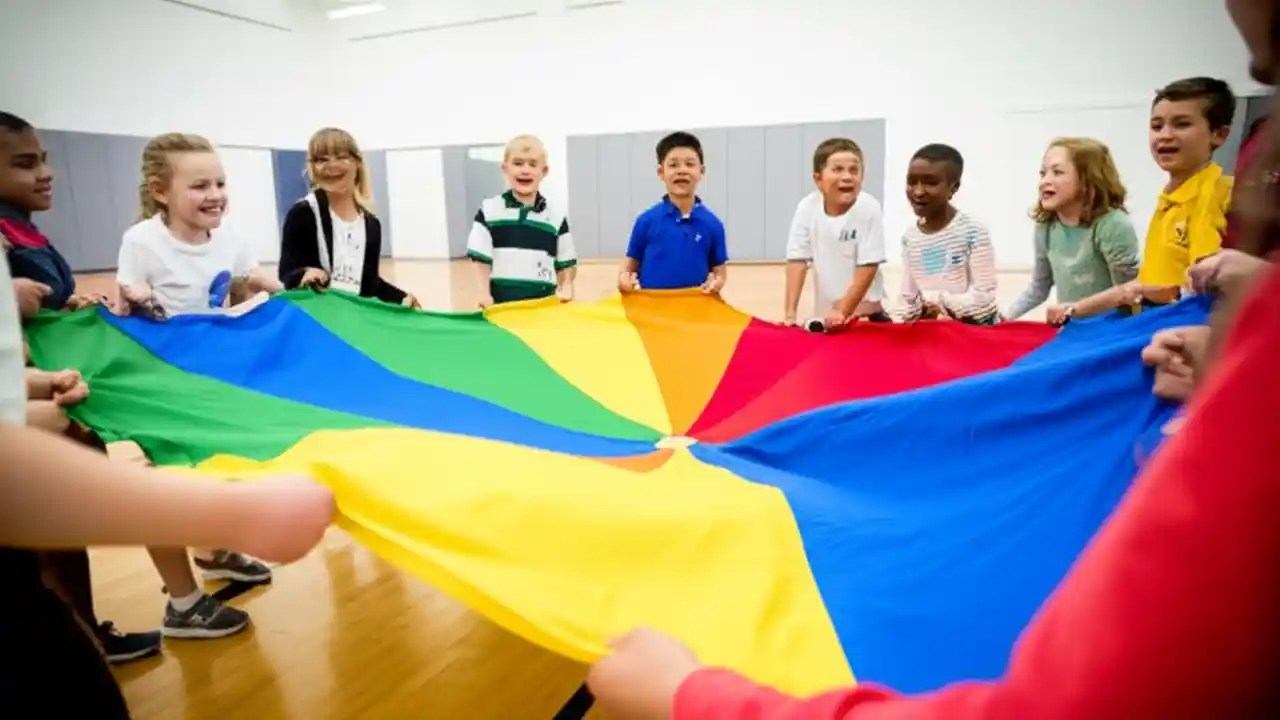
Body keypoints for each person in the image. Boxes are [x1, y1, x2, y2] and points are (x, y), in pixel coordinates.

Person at [582, 7, 1280, 716]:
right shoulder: (879, 225)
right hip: (1088, 346)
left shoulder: (1111, 225)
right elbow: (999, 285)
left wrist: (695, 697)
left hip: (1100, 345)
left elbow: (1069, 694)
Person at [1051, 77, 1237, 324]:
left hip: (1175, 325)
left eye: (1181, 124)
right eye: (1157, 126)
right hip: (1150, 319)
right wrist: (1074, 309)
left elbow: (1200, 288)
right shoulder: (1170, 197)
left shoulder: (1217, 192)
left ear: (1219, 134)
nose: (1165, 135)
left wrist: (1137, 295)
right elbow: (1144, 284)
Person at [117, 132, 282, 318]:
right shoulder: (140, 241)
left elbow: (250, 274)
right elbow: (126, 314)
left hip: (214, 339)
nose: (215, 196)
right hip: (168, 344)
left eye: (220, 184)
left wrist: (287, 291)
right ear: (160, 191)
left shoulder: (228, 234)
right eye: (200, 186)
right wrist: (140, 300)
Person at [279, 127, 418, 308]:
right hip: (318, 318)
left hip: (355, 320)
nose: (331, 165)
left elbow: (369, 283)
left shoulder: (371, 224)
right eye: (321, 159)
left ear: (357, 163)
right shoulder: (303, 213)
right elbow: (287, 273)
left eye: (340, 157)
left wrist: (400, 298)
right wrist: (303, 274)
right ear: (312, 167)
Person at [1005, 138, 1141, 322]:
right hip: (1072, 328)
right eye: (1043, 173)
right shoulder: (1045, 227)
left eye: (1057, 172)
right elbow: (1039, 288)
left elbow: (1128, 293)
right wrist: (1002, 319)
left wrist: (1075, 310)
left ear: (1088, 180)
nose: (1045, 181)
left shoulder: (1112, 224)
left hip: (1110, 328)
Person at [0, 112, 110, 312]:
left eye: (43, 161)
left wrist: (68, 304)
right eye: (25, 164)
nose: (47, 174)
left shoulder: (24, 231)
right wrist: (5, 299)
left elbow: (44, 300)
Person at [783, 138, 889, 330]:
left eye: (854, 170)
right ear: (818, 179)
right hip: (828, 316)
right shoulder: (807, 207)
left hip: (865, 316)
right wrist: (790, 314)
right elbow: (797, 261)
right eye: (838, 169)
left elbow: (868, 266)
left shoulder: (869, 208)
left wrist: (844, 310)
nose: (847, 177)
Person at [466, 134, 578, 307]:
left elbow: (566, 261)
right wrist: (483, 293)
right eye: (518, 163)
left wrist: (567, 286)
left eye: (532, 164)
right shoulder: (490, 211)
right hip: (501, 308)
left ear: (544, 172)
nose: (525, 170)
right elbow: (480, 259)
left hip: (544, 308)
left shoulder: (556, 216)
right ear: (505, 168)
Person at [897, 144, 999, 325]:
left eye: (931, 182)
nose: (918, 191)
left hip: (972, 334)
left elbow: (985, 300)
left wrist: (940, 304)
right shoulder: (910, 238)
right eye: (912, 181)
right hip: (929, 335)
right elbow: (907, 298)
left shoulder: (973, 231)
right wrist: (915, 311)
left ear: (954, 187)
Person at [618, 132, 728, 294]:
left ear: (701, 171)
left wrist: (717, 283)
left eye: (690, 164)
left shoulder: (713, 225)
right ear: (661, 173)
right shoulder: (646, 221)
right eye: (674, 165)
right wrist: (624, 282)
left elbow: (720, 272)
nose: (682, 170)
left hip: (694, 312)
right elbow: (628, 268)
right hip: (651, 312)